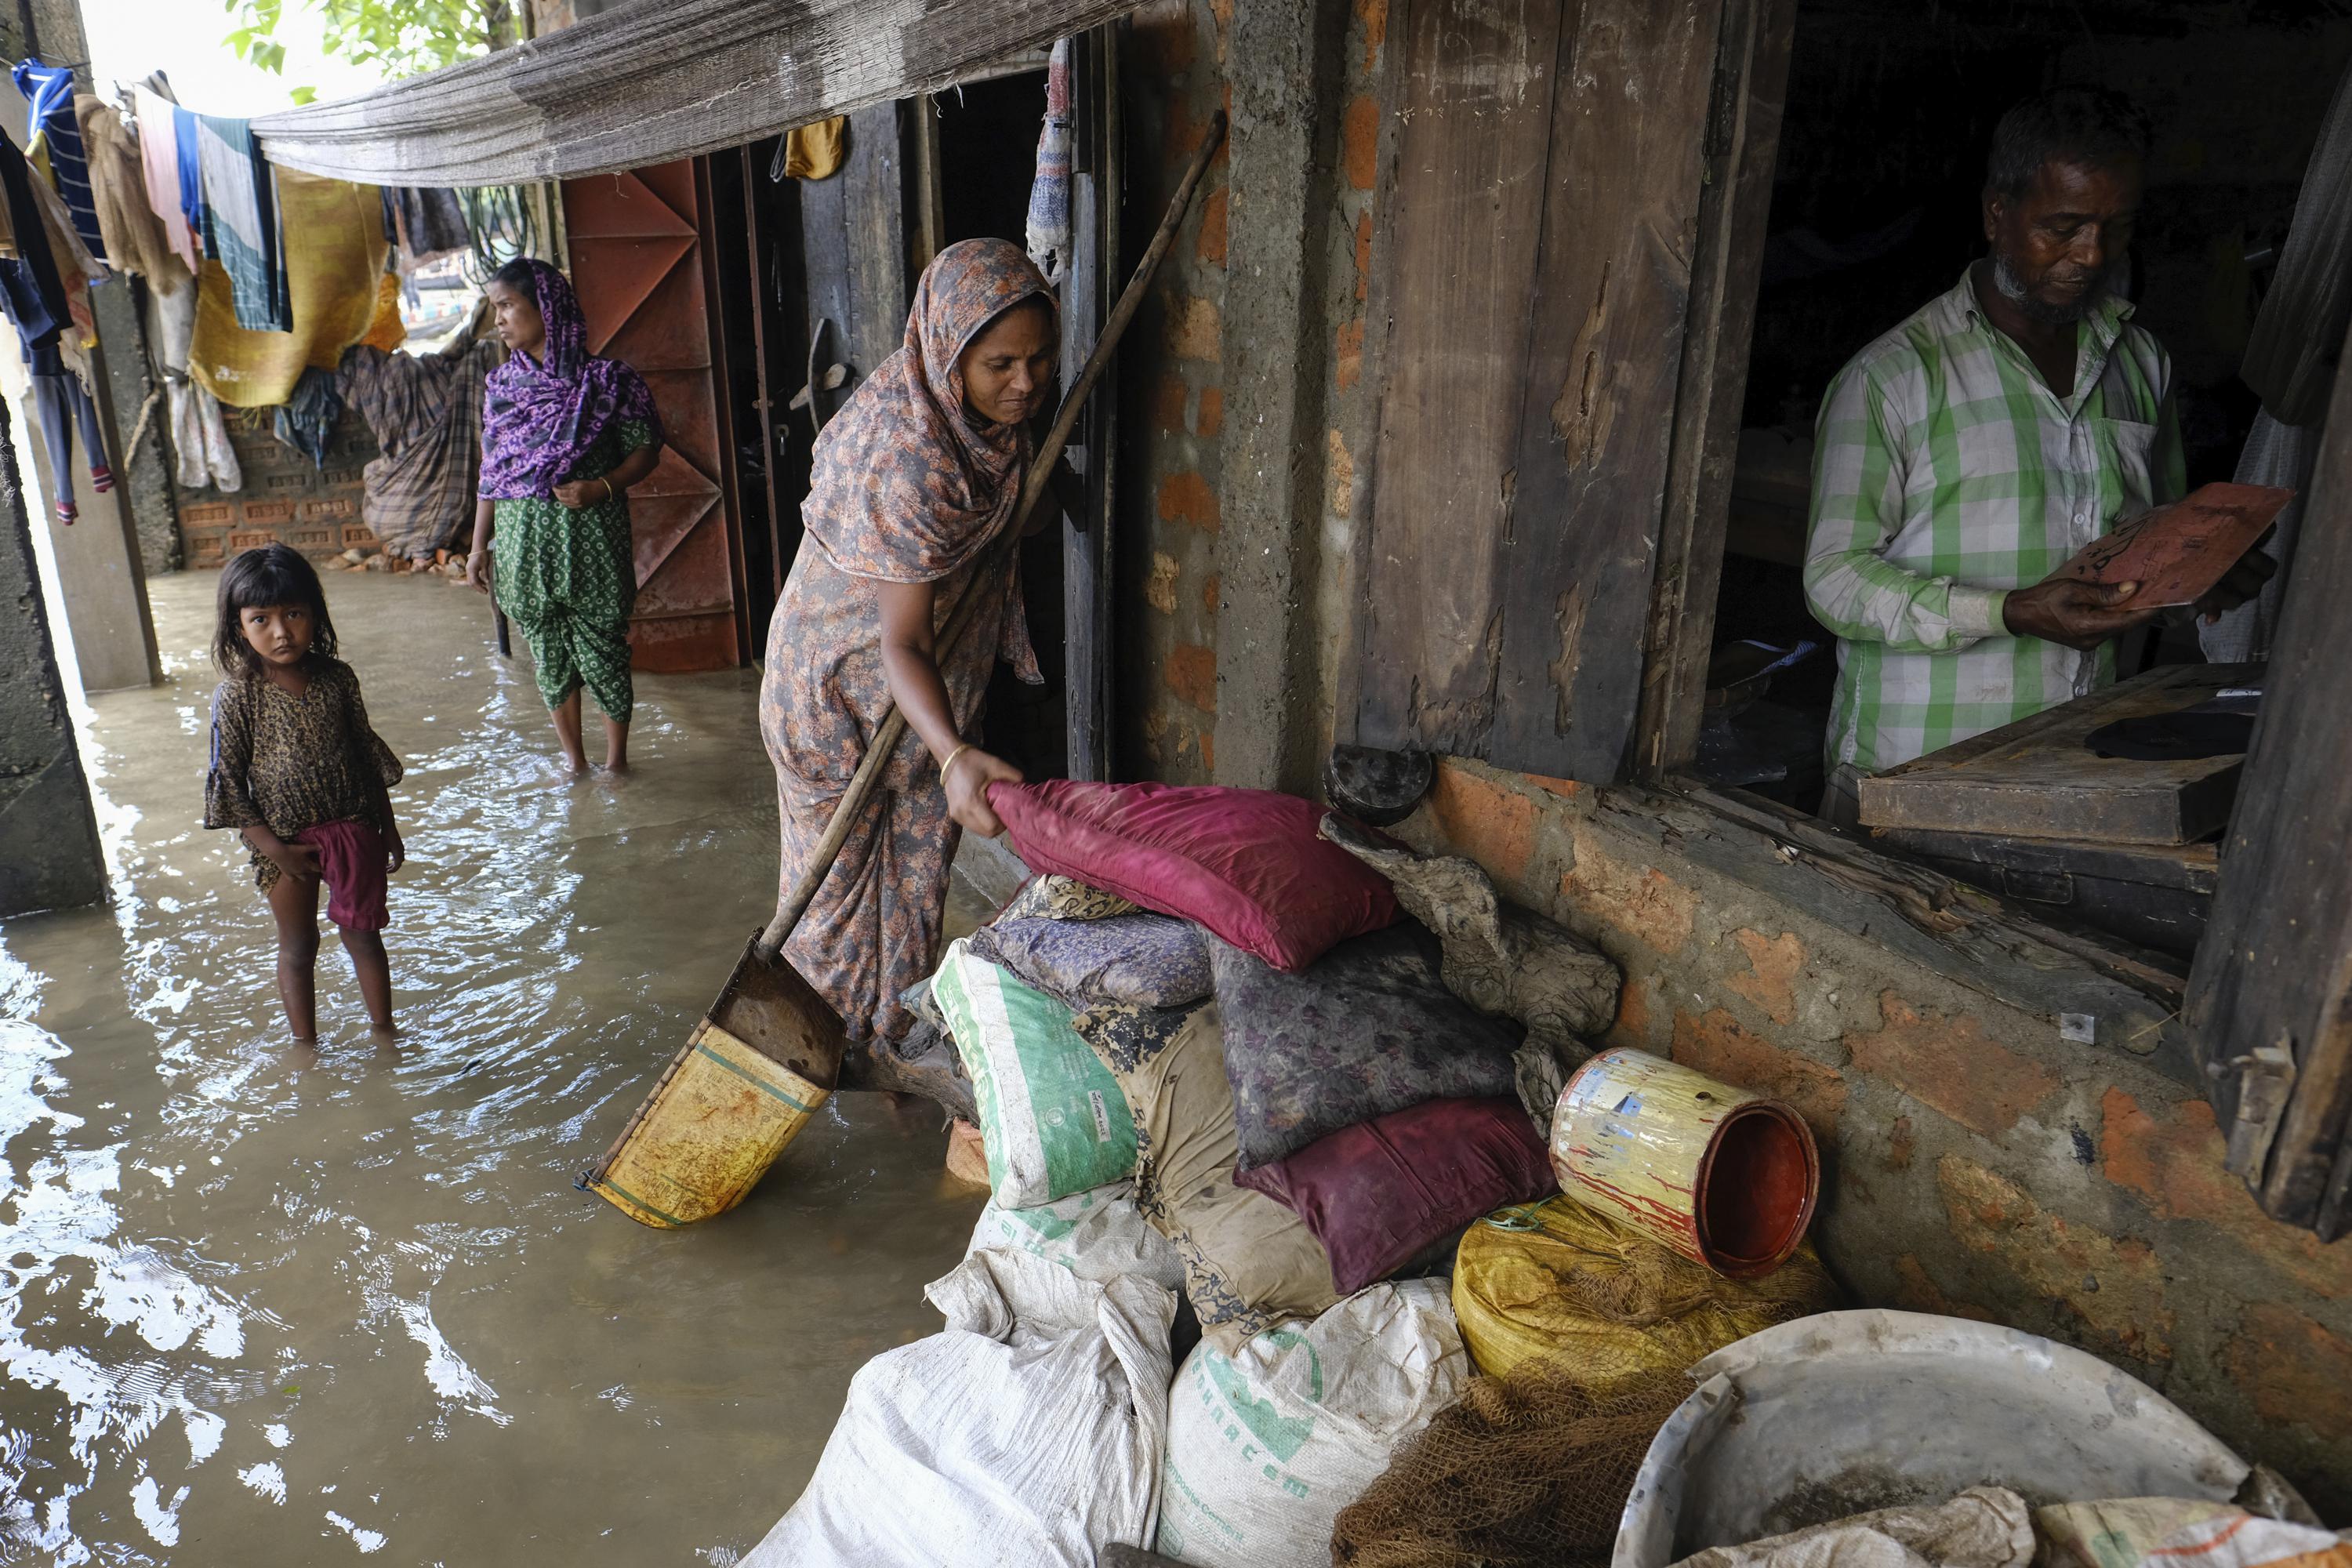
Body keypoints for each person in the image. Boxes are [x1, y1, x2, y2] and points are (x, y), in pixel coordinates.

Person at [1804, 88, 2271, 827]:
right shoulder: (1894, 376)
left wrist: (2203, 570)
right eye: (2064, 227)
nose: (2091, 255)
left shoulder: (2138, 360)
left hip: (2080, 759)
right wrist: (2010, 612)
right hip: (1916, 768)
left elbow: (2156, 533)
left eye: (2115, 229)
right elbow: (1832, 580)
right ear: (1997, 213)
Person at [761, 238, 1065, 1053]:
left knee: (918, 891)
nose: (1026, 383)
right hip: (835, 699)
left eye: (1040, 359)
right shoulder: (905, 451)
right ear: (948, 351)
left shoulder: (990, 423)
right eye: (1001, 364)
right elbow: (900, 641)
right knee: (834, 913)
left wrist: (1038, 486)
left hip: (929, 698)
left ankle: (899, 1058)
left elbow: (1015, 513)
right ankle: (813, 1066)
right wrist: (955, 750)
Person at [465, 257, 663, 775]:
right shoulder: (502, 386)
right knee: (548, 657)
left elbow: (646, 450)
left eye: (507, 306)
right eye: (495, 309)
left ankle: (618, 765)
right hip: (522, 545)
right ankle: (575, 765)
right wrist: (477, 546)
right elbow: (493, 473)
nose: (500, 321)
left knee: (605, 651)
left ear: (546, 307)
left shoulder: (609, 381)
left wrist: (603, 486)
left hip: (593, 542)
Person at [203, 543, 406, 1040]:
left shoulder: (337, 680)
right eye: (261, 620)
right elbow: (229, 783)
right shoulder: (237, 695)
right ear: (238, 627)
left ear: (314, 613)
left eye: (293, 614)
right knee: (298, 946)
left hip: (356, 827)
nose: (280, 632)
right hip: (283, 841)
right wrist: (276, 850)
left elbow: (365, 758)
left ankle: (385, 1034)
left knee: (365, 936)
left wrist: (389, 827)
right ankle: (306, 1048)